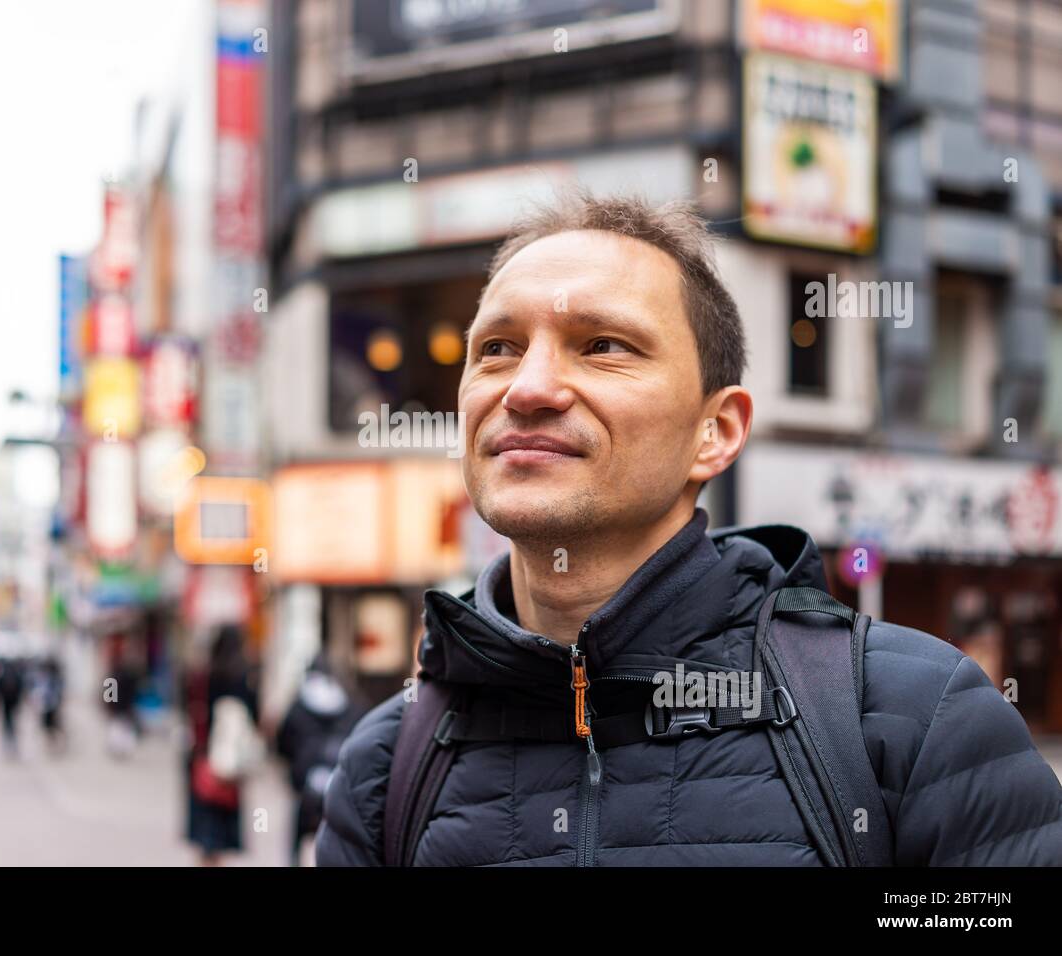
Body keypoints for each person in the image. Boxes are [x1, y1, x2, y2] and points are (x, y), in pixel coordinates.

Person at [316, 190, 1062, 867]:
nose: (529, 387)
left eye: (603, 345)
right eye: (497, 349)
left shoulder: (916, 721)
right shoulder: (387, 766)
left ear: (716, 430)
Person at [275, 656, 364, 866]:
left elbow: (283, 740)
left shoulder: (299, 704)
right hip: (338, 779)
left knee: (299, 833)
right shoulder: (351, 704)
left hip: (306, 781)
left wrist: (294, 768)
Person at [184, 624, 260, 866]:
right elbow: (254, 717)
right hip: (231, 760)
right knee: (222, 813)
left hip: (203, 754)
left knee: (206, 821)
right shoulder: (244, 677)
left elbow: (191, 710)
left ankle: (207, 858)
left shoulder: (204, 675)